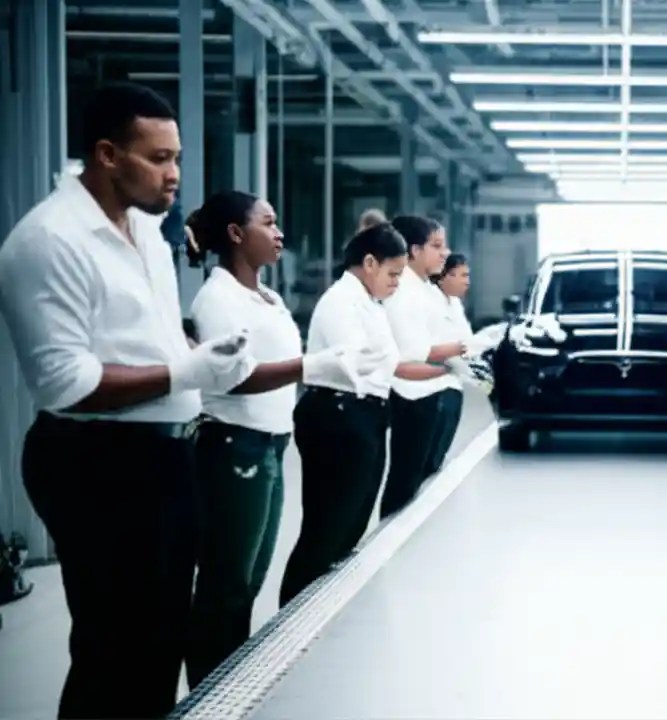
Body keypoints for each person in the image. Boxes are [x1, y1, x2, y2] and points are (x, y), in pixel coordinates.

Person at [0, 82, 256, 719]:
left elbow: (149, 340)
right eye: (159, 158)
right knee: (113, 651)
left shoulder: (146, 231)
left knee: (160, 645)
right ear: (108, 154)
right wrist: (183, 372)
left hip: (165, 459)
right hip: (96, 462)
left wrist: (203, 358)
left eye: (177, 158)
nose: (175, 175)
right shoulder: (50, 240)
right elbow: (63, 381)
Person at [182, 191, 381, 688]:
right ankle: (209, 691)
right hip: (235, 446)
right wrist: (313, 366)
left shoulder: (267, 297)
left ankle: (231, 681)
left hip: (270, 445)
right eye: (268, 223)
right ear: (236, 234)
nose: (279, 233)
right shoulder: (218, 298)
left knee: (249, 581)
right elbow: (232, 376)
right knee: (226, 583)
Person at [277, 222, 452, 605]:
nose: (396, 283)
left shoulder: (371, 304)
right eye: (393, 274)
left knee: (351, 524)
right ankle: (293, 610)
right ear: (369, 263)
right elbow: (358, 361)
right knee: (327, 527)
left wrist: (448, 369)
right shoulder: (341, 302)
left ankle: (322, 605)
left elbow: (394, 364)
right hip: (337, 418)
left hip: (366, 417)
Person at [380, 216, 470, 519]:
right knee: (406, 482)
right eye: (437, 246)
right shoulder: (403, 291)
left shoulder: (424, 289)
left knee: (422, 479)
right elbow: (413, 355)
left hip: (431, 391)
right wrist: (460, 355)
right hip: (412, 395)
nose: (445, 253)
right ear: (415, 250)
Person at [423, 252, 475, 477]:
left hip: (453, 380)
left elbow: (466, 341)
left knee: (436, 458)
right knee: (426, 456)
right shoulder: (428, 303)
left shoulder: (454, 304)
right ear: (446, 276)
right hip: (431, 383)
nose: (467, 282)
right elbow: (430, 347)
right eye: (463, 275)